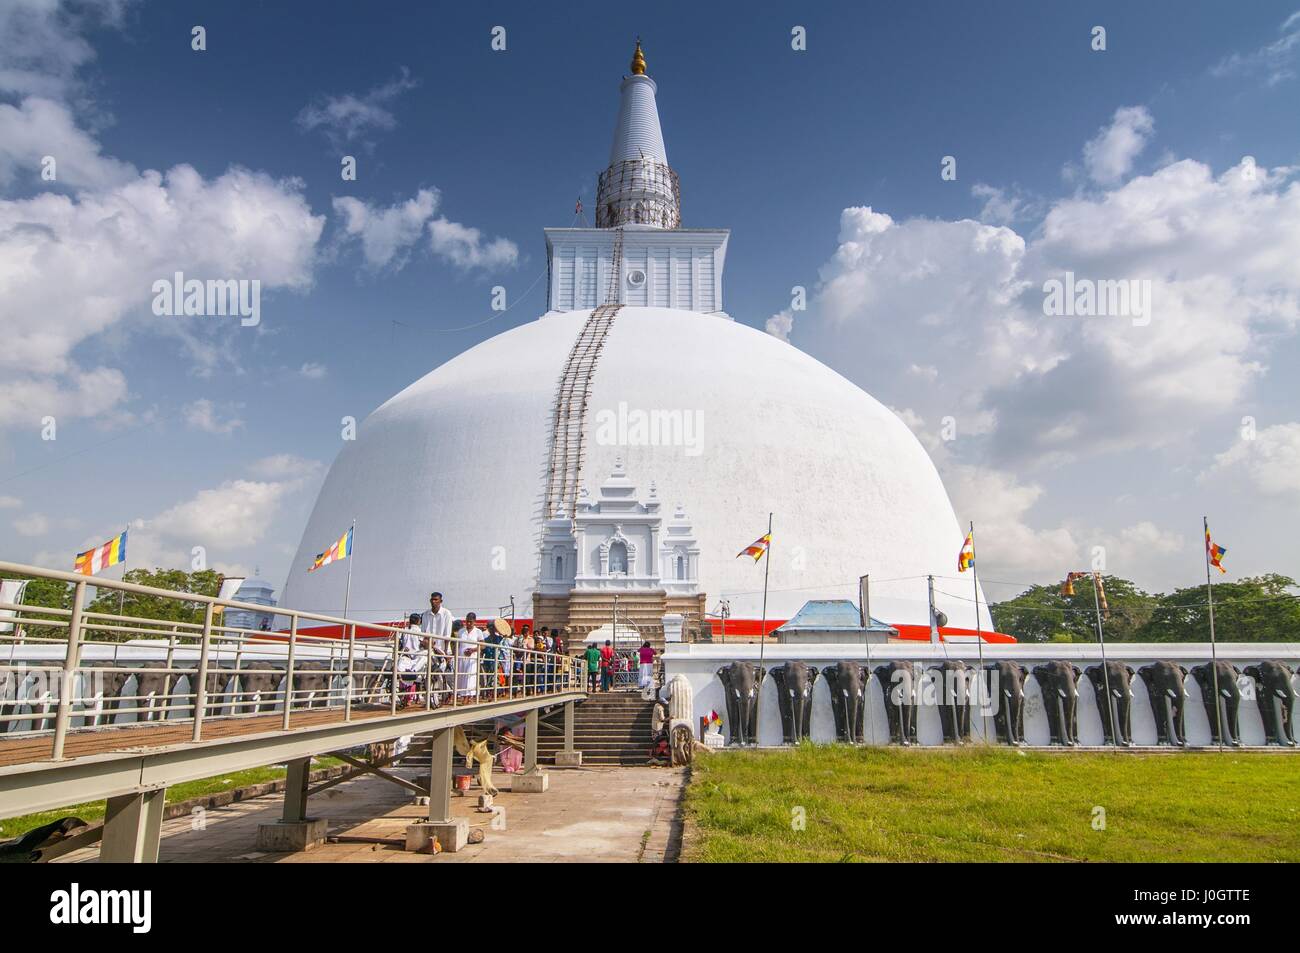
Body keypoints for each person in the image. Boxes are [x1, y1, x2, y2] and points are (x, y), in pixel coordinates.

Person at [455, 614, 481, 702]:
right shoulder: (461, 631)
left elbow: (483, 645)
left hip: (472, 657)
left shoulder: (478, 632)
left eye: (471, 622)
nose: (469, 623)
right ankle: (463, 695)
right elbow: (457, 644)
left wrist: (473, 650)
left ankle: (467, 697)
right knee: (461, 676)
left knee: (470, 676)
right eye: (467, 621)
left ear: (474, 622)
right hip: (461, 657)